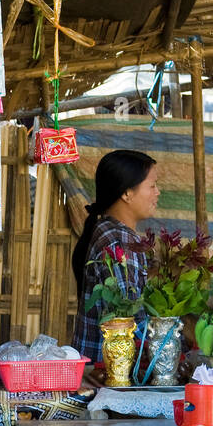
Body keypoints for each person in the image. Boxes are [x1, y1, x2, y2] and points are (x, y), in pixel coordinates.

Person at [71, 149, 160, 361]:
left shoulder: (109, 230)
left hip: (103, 365)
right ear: (127, 193)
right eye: (152, 185)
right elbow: (129, 319)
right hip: (111, 371)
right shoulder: (119, 242)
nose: (158, 192)